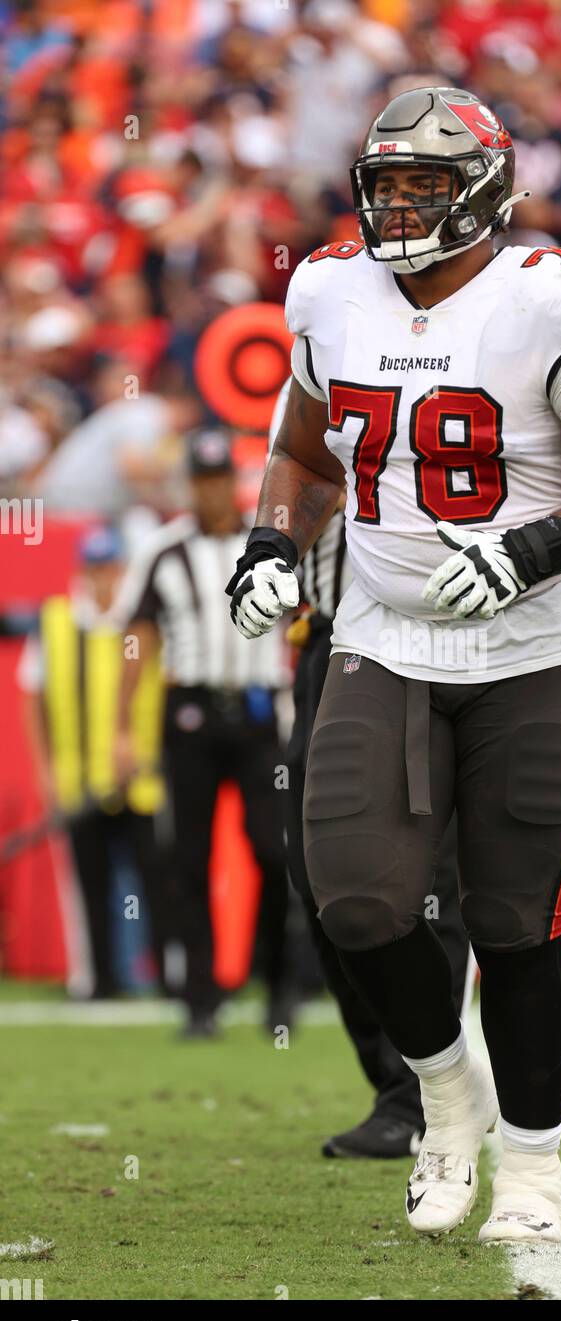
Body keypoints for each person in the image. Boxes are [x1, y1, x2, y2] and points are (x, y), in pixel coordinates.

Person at [226, 86, 561, 1243]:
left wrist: (533, 545)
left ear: (480, 190)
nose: (398, 205)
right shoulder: (330, 292)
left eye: (423, 184)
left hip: (535, 645)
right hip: (384, 635)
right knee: (355, 893)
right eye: (383, 183)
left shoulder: (545, 298)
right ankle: (442, 1093)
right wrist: (273, 542)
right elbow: (300, 446)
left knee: (512, 918)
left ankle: (531, 1170)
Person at [269, 379, 472, 1160]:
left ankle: (426, 1091)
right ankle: (397, 1082)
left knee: (427, 881)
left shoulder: (445, 375)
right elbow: (292, 482)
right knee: (321, 875)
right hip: (328, 645)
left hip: (423, 642)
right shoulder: (314, 388)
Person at [115, 428, 293, 1037]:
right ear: (190, 484)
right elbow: (137, 637)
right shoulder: (164, 550)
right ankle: (200, 998)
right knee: (188, 858)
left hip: (259, 712)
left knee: (273, 851)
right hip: (188, 711)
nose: (213, 491)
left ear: (233, 483)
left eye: (221, 479)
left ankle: (278, 989)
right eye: (203, 480)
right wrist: (120, 728)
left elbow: (307, 621)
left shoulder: (269, 546)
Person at [18, 525, 166, 998]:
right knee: (90, 884)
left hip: (140, 777)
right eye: (95, 569)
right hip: (81, 778)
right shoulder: (57, 622)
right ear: (83, 572)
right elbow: (32, 695)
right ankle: (99, 980)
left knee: (157, 880)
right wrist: (44, 769)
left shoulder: (141, 621)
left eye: (111, 568)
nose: (104, 580)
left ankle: (167, 976)